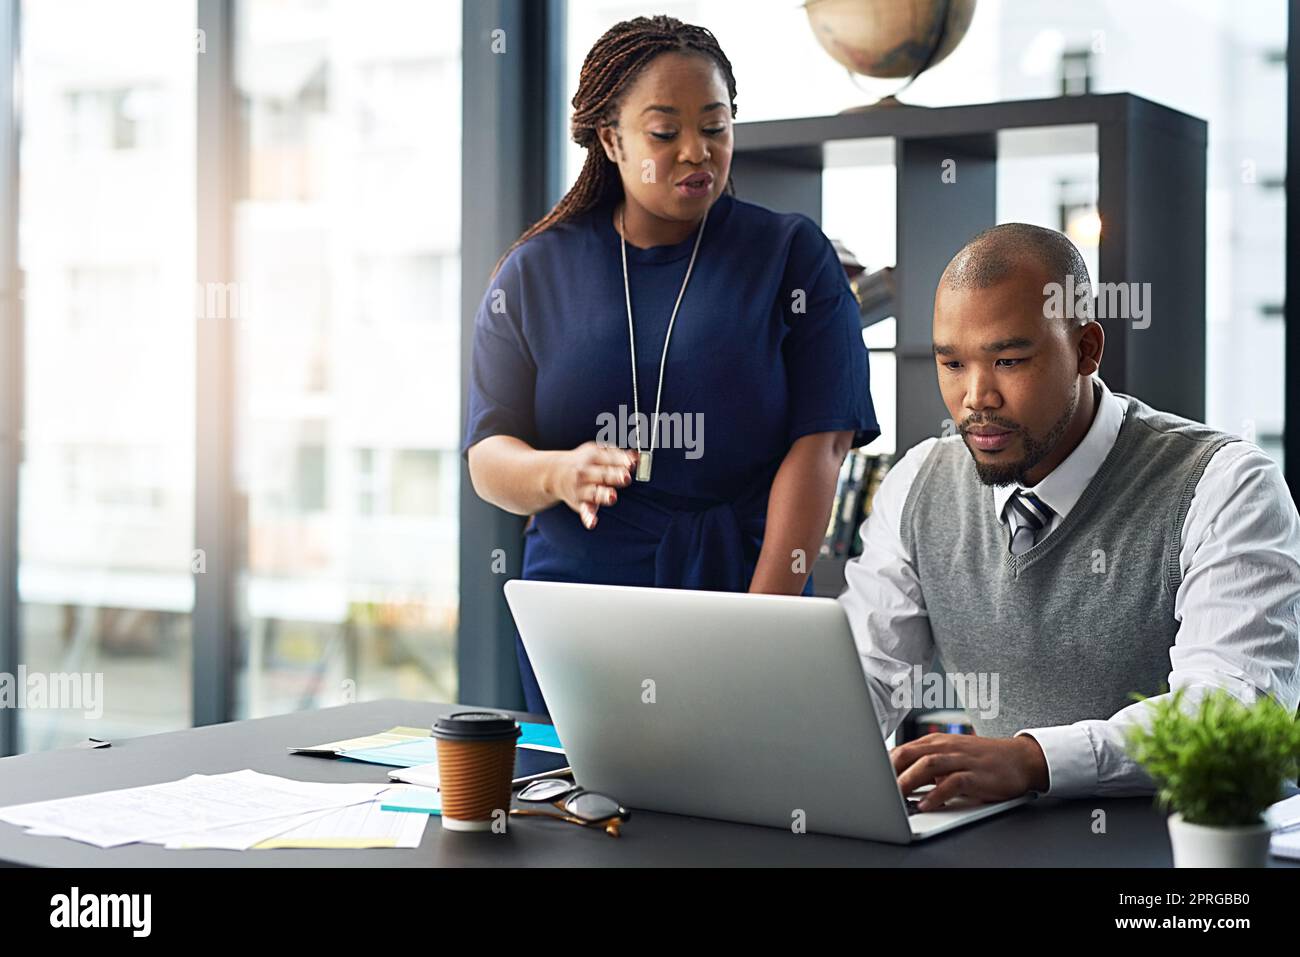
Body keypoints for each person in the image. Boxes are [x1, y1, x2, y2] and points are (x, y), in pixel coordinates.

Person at [464, 15, 878, 715]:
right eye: (665, 132)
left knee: (742, 806)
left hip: (745, 589)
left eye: (715, 127)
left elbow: (823, 444)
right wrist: (560, 472)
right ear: (611, 139)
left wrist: (764, 623)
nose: (697, 152)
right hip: (579, 610)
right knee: (583, 812)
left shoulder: (788, 256)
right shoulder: (534, 271)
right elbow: (488, 457)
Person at [839, 222, 1300, 808]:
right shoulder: (918, 484)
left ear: (1086, 349)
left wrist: (1033, 761)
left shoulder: (1226, 484)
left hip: (1197, 853)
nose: (976, 397)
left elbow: (1229, 704)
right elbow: (864, 680)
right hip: (1014, 843)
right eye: (952, 364)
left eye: (1007, 360)